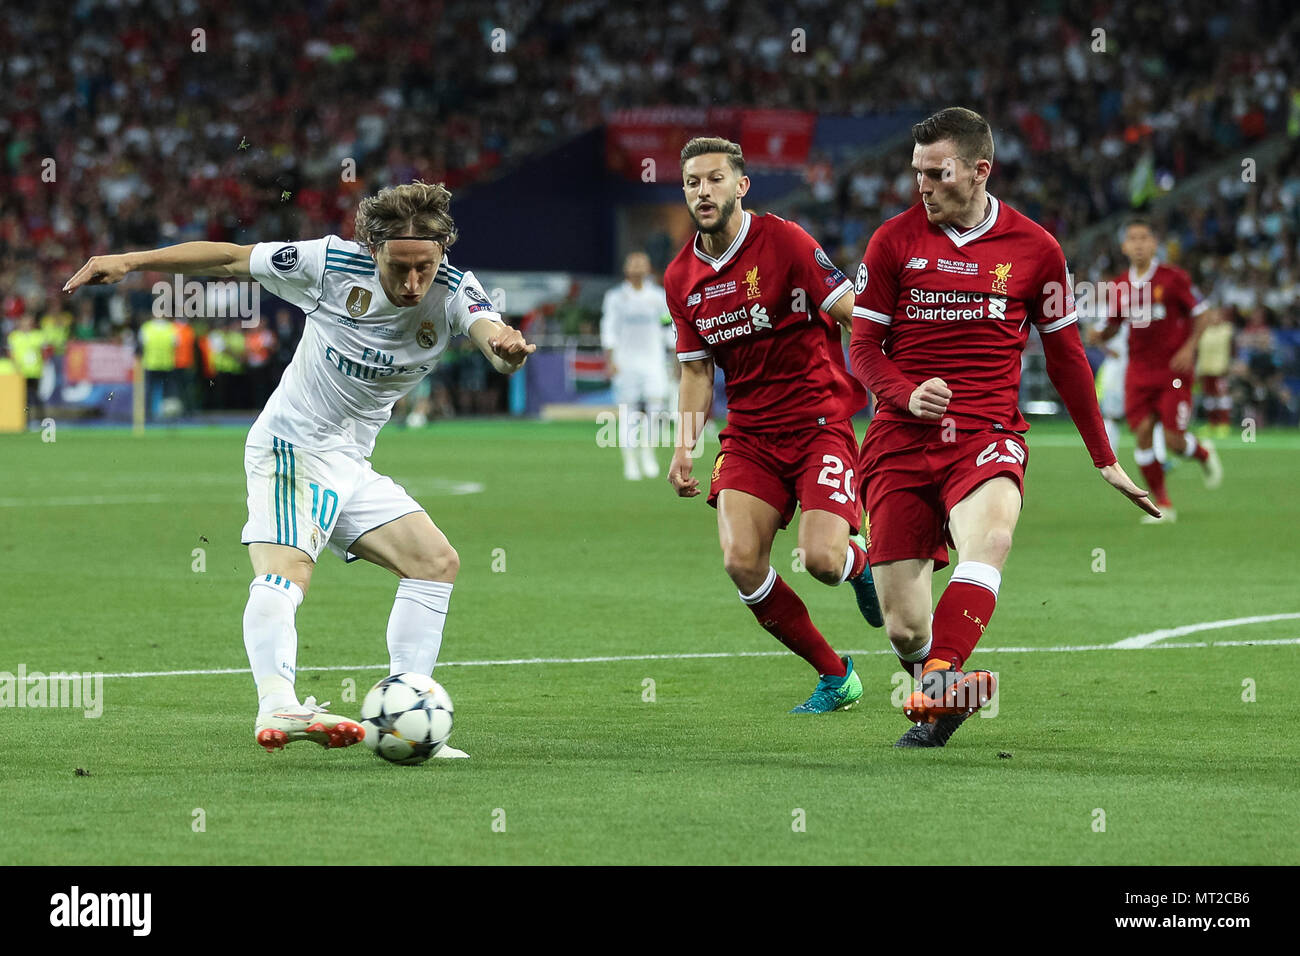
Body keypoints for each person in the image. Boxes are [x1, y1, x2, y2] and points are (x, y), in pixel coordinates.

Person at [64, 181, 534, 757]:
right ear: (372, 250)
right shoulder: (330, 264)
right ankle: (277, 702)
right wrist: (131, 261)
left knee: (434, 562)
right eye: (400, 268)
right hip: (292, 444)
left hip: (348, 461)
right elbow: (232, 258)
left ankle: (404, 715)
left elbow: (491, 336)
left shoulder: (457, 290)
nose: (414, 284)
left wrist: (504, 350)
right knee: (289, 571)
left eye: (426, 269)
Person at [849, 108, 1157, 748]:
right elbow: (863, 350)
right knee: (904, 627)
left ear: (980, 170)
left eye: (937, 173)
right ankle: (946, 692)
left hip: (987, 431)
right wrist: (907, 394)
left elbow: (1068, 357)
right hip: (898, 439)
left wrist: (1103, 457)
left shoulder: (1036, 249)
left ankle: (935, 683)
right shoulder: (891, 242)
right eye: (917, 173)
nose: (923, 186)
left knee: (989, 538)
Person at [665, 136, 883, 715]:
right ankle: (836, 676)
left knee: (821, 562)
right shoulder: (681, 276)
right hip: (750, 437)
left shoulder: (785, 241)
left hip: (819, 424)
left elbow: (848, 310)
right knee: (741, 562)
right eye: (692, 182)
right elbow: (695, 372)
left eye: (714, 179)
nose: (702, 191)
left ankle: (860, 564)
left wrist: (898, 374)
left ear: (741, 185)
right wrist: (684, 445)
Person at [1089, 219, 1223, 523]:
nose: (1138, 244)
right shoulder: (1120, 286)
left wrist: (1189, 348)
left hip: (1173, 373)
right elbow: (1114, 325)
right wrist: (1100, 335)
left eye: (1144, 238)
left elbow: (1203, 315)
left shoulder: (1173, 278)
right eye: (1132, 238)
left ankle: (1201, 453)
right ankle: (1163, 504)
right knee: (1144, 434)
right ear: (1124, 246)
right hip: (1137, 372)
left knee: (1174, 442)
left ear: (1154, 244)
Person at [601, 251, 672, 480]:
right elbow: (609, 328)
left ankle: (648, 453)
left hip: (654, 362)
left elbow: (668, 326)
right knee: (629, 413)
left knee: (656, 409)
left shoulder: (658, 296)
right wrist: (610, 359)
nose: (638, 266)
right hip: (626, 362)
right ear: (626, 268)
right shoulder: (616, 298)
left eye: (643, 262)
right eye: (633, 262)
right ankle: (630, 461)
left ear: (649, 267)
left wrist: (674, 354)